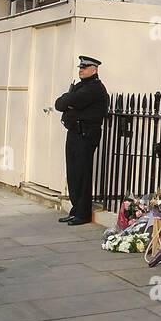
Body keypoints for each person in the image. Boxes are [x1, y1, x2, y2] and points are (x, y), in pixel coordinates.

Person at [54, 56, 109, 226]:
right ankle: (76, 209)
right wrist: (68, 102)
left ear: (94, 69)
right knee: (73, 173)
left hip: (86, 134)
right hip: (74, 133)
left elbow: (71, 101)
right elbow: (59, 104)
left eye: (85, 67)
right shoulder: (80, 86)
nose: (81, 70)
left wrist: (69, 101)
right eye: (80, 67)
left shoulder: (94, 88)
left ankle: (83, 213)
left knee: (82, 173)